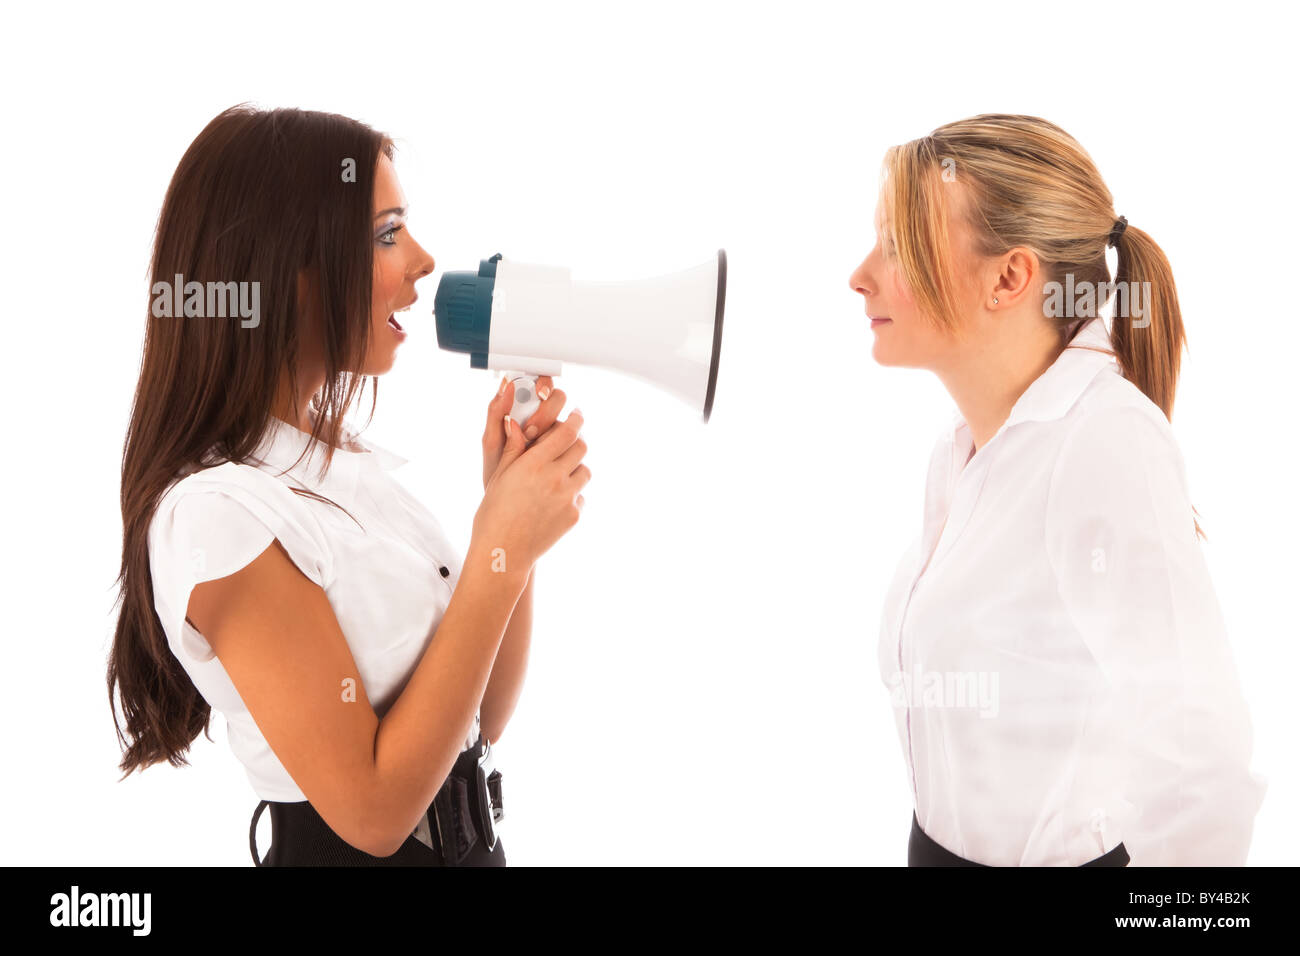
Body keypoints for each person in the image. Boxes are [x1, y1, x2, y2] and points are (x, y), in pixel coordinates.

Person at [107, 104, 591, 865]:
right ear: (285, 269)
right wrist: (498, 542)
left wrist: (511, 540)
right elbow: (372, 812)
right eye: (386, 233)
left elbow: (479, 719)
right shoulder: (218, 516)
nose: (424, 261)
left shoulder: (339, 471)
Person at [848, 113, 1267, 866]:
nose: (860, 275)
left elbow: (1205, 770)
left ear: (1009, 277)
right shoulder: (962, 448)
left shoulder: (1104, 442)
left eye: (899, 245)